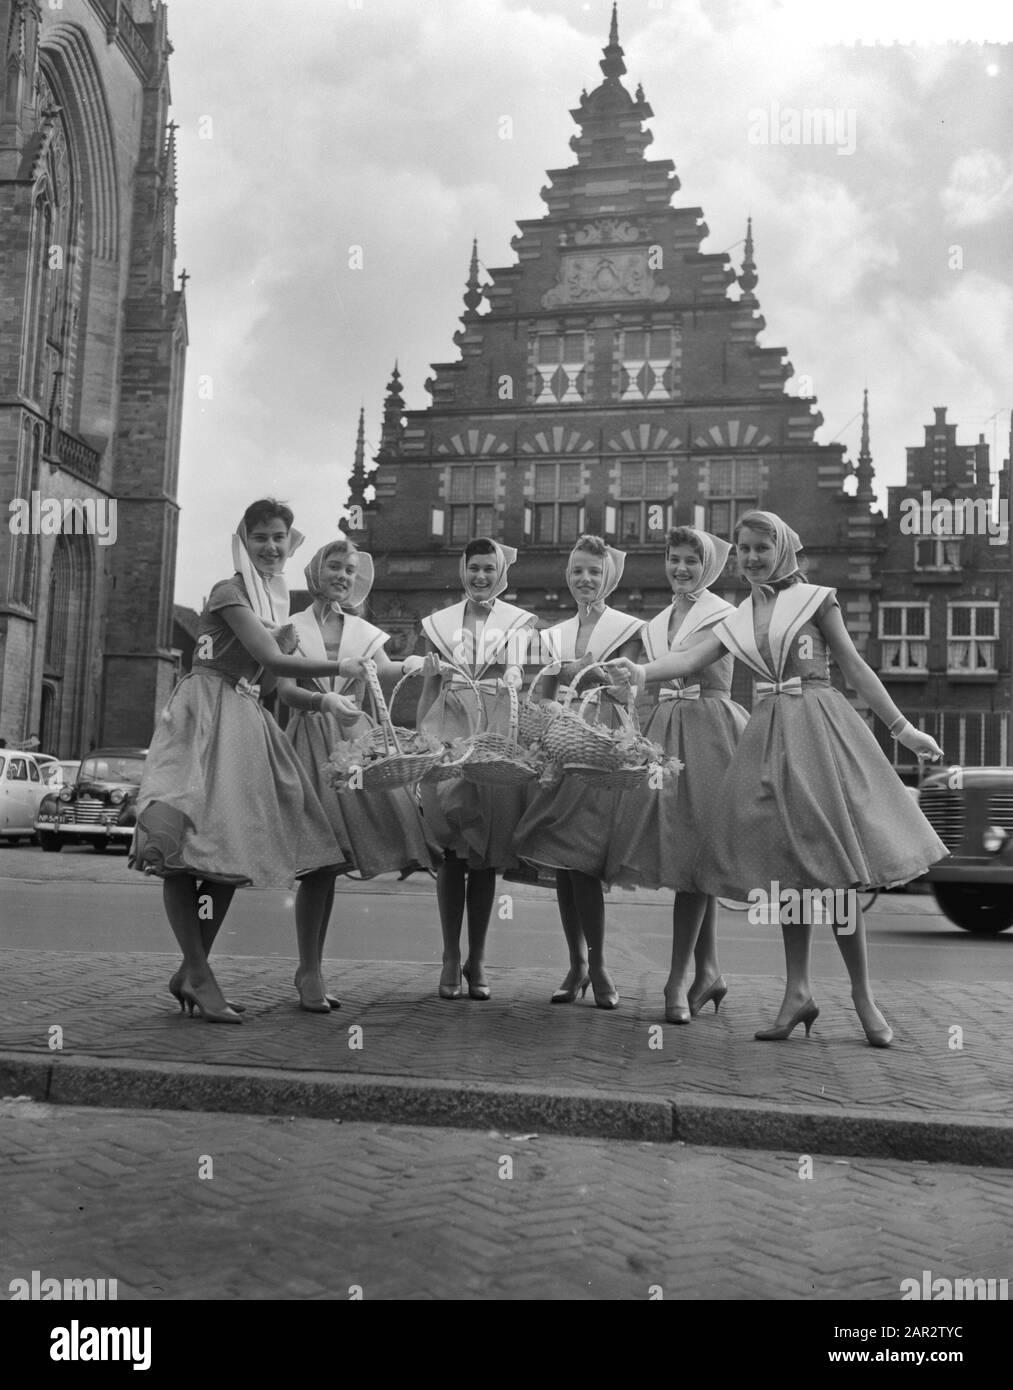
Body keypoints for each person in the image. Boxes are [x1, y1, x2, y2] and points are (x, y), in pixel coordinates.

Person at [608, 510, 946, 1046]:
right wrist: (643, 672)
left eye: (761, 547)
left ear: (783, 547)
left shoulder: (816, 599)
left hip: (818, 727)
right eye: (742, 550)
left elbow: (855, 666)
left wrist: (903, 731)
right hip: (767, 735)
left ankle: (863, 997)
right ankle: (797, 993)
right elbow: (694, 656)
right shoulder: (741, 615)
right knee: (789, 870)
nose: (751, 558)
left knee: (835, 870)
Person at [132, 499, 354, 1023]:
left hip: (243, 719)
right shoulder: (230, 592)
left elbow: (269, 681)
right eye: (261, 538)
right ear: (244, 540)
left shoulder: (271, 604)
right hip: (204, 716)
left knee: (228, 856)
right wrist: (342, 663)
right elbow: (275, 662)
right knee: (183, 843)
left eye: (280, 538)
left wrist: (285, 648)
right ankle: (198, 973)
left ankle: (193, 971)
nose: (271, 547)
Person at [276, 537, 441, 1002]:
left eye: (350, 570)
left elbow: (381, 670)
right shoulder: (289, 627)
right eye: (334, 566)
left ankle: (311, 970)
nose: (343, 576)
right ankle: (309, 970)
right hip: (309, 738)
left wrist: (415, 664)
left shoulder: (362, 629)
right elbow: (284, 689)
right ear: (315, 572)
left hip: (353, 740)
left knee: (340, 855)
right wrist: (321, 697)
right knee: (319, 861)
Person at [605, 528, 748, 1024]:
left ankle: (675, 980)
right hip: (665, 730)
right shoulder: (657, 621)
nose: (681, 568)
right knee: (687, 858)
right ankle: (708, 971)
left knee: (694, 857)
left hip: (709, 733)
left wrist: (642, 673)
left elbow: (686, 662)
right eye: (674, 559)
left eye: (691, 560)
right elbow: (652, 676)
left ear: (708, 566)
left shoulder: (725, 614)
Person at [512, 536, 643, 1009]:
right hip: (562, 743)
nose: (584, 579)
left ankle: (599, 964)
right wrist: (555, 694)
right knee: (564, 863)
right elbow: (540, 694)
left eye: (593, 571)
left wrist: (598, 676)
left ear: (608, 575)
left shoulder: (628, 629)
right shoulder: (554, 633)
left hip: (601, 746)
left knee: (583, 859)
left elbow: (631, 693)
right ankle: (577, 964)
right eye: (576, 572)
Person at [416, 538, 535, 1001]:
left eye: (489, 569)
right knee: (451, 845)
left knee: (484, 850)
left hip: (495, 721)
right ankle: (449, 953)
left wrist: (516, 676)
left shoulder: (520, 622)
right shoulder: (440, 624)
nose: (480, 577)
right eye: (473, 568)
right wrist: (422, 735)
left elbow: (526, 676)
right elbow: (428, 684)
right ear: (461, 569)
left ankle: (477, 957)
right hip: (450, 723)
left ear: (501, 572)